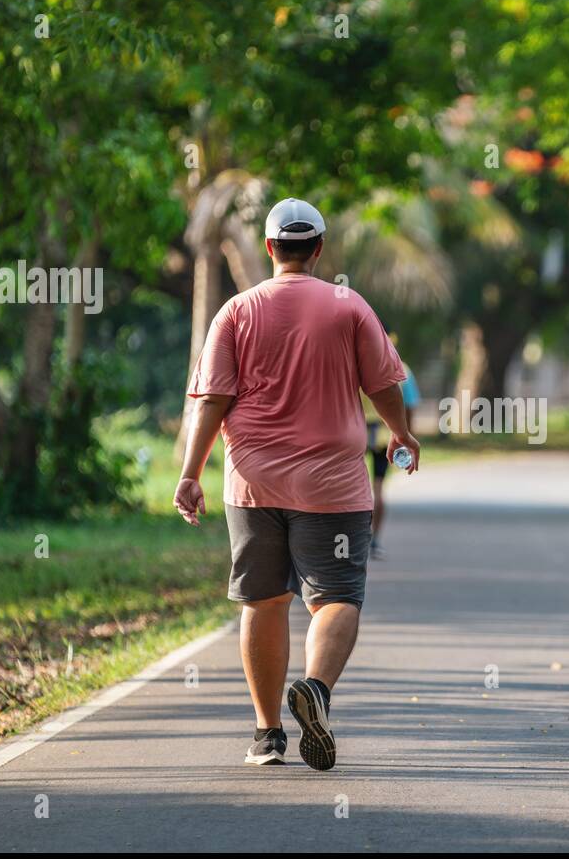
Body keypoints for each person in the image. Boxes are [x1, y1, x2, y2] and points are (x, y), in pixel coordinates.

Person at [173, 197, 420, 771]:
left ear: (269, 248)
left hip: (252, 483)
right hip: (332, 484)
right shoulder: (349, 305)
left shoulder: (237, 310)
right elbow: (383, 384)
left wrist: (190, 473)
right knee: (336, 598)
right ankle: (316, 689)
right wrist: (401, 433)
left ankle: (267, 735)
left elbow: (212, 401)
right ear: (318, 249)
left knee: (263, 600)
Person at [364, 330, 420, 559]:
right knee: (378, 489)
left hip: (355, 434)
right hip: (385, 435)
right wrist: (406, 435)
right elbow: (410, 406)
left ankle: (352, 540)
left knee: (355, 488)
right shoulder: (402, 369)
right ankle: (374, 541)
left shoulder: (353, 365)